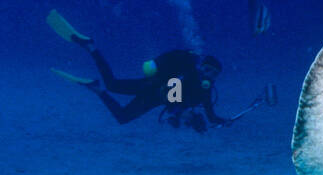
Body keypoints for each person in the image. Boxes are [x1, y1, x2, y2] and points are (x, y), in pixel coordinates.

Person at [47, 10, 229, 130]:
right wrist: (182, 114)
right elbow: (172, 94)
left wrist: (226, 121)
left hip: (154, 98)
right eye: (207, 70)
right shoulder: (187, 74)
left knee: (121, 115)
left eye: (214, 74)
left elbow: (211, 116)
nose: (209, 76)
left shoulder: (205, 91)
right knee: (113, 86)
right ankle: (91, 48)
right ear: (200, 66)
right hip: (150, 89)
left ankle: (97, 87)